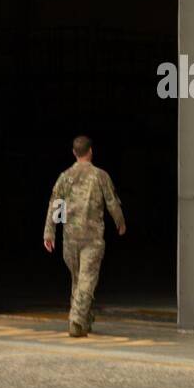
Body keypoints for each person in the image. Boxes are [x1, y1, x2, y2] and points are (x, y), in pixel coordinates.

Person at [42, 135, 125, 337]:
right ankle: (76, 320)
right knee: (87, 280)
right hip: (92, 237)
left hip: (70, 238)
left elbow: (57, 204)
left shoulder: (65, 176)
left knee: (78, 280)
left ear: (74, 153)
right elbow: (112, 202)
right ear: (90, 151)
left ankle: (85, 321)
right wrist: (120, 222)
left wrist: (50, 231)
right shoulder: (100, 176)